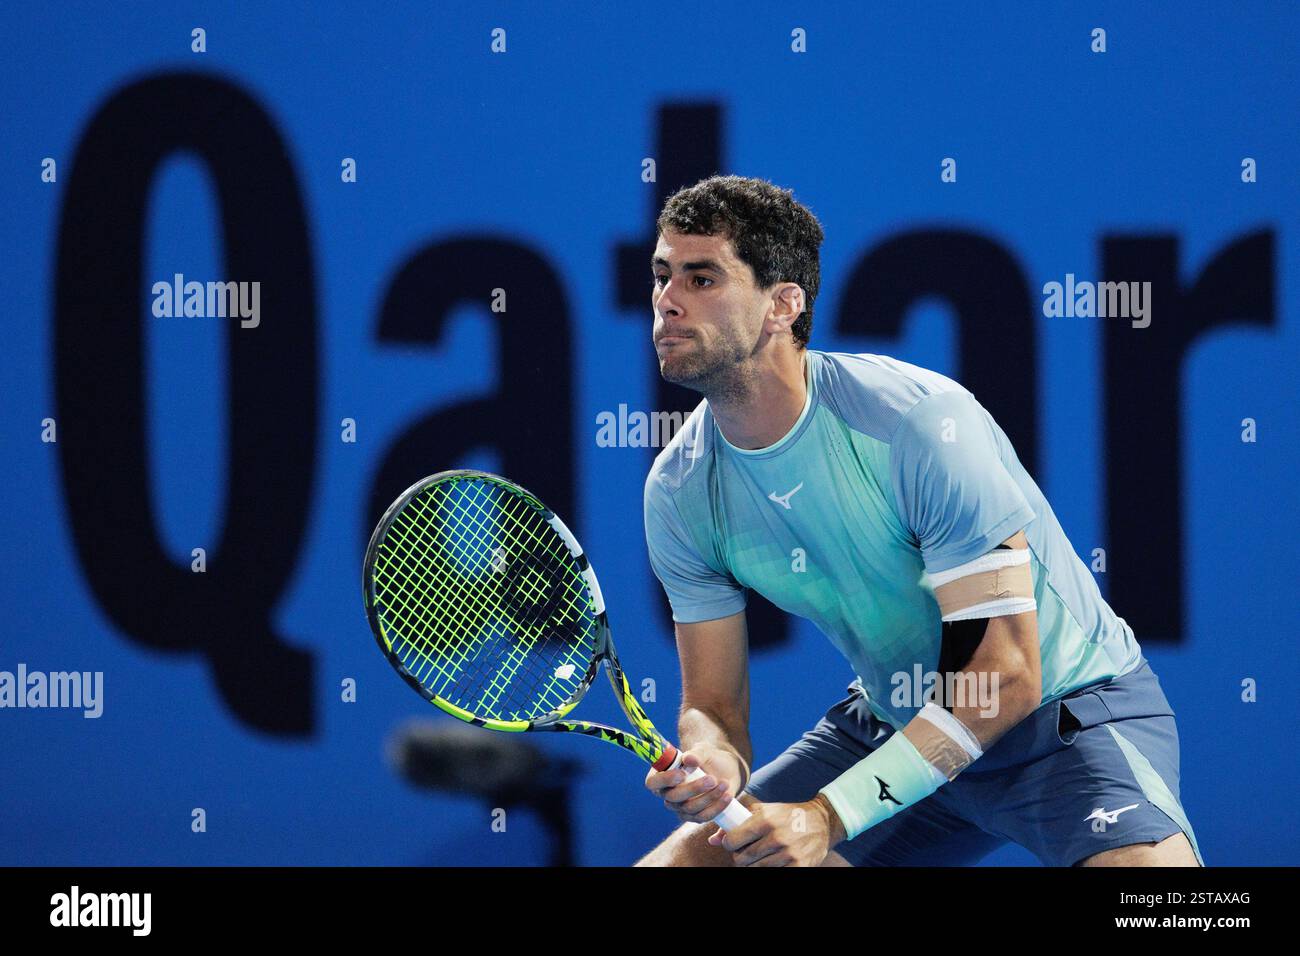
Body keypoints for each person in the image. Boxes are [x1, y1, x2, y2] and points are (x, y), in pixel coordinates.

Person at [636, 175, 1201, 867]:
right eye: (664, 276)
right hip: (896, 726)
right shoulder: (679, 488)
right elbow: (714, 707)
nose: (668, 301)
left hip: (1061, 717)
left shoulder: (917, 423)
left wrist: (826, 816)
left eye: (702, 279)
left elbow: (1006, 676)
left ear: (784, 304)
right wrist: (714, 756)